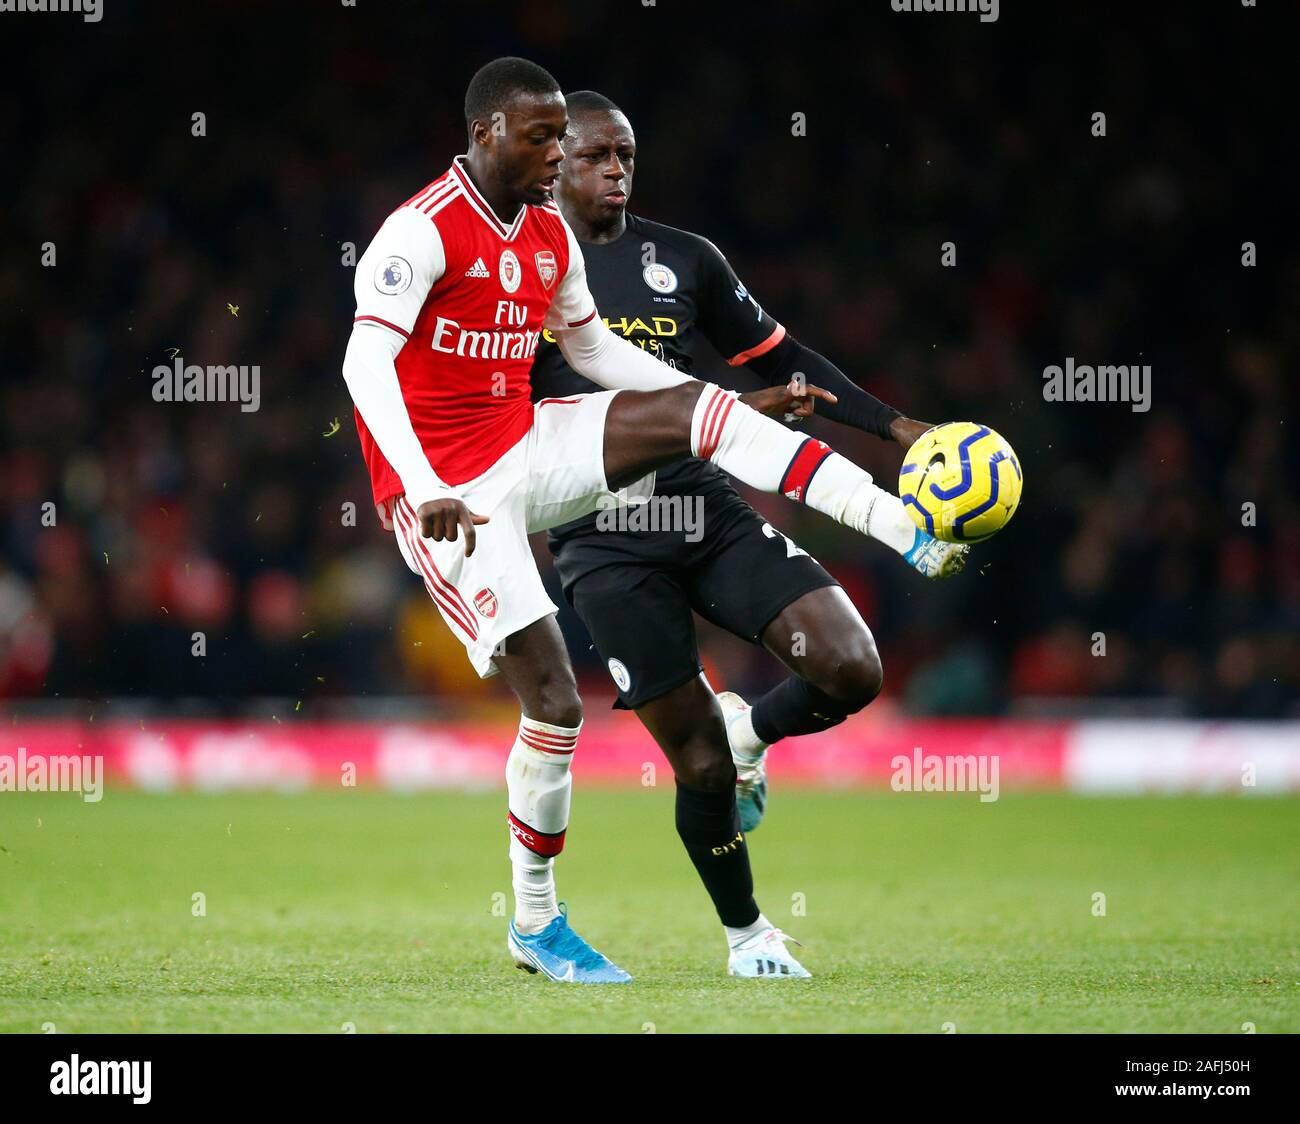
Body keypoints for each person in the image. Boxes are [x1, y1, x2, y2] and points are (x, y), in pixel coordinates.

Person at [341, 58, 968, 985]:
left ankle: (898, 523)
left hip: (527, 446)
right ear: (485, 135)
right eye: (542, 137)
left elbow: (592, 350)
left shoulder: (548, 232)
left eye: (565, 137)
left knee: (703, 414)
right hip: (443, 498)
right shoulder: (420, 231)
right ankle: (537, 924)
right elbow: (364, 366)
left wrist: (717, 407)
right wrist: (426, 480)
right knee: (554, 706)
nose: (557, 155)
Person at [529, 91, 945, 979]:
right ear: (553, 163)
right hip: (601, 539)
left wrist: (895, 428)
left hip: (703, 505)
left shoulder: (683, 259)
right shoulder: (522, 270)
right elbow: (555, 416)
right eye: (597, 155)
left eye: (627, 155)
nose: (616, 171)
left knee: (850, 667)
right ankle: (747, 935)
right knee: (701, 768)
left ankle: (754, 727)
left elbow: (783, 358)